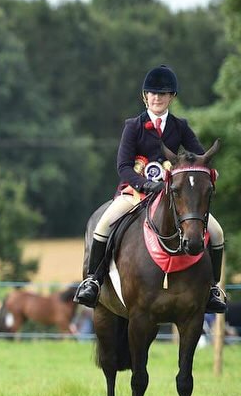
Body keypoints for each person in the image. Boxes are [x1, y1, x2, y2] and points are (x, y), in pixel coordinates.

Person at [73, 65, 227, 313]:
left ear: (171, 97)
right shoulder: (133, 126)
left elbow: (199, 159)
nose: (157, 98)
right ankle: (93, 279)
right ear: (145, 96)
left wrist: (205, 174)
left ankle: (212, 289)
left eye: (163, 94)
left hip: (170, 197)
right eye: (153, 93)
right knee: (103, 225)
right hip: (135, 193)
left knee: (216, 232)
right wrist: (146, 184)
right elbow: (123, 166)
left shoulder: (180, 126)